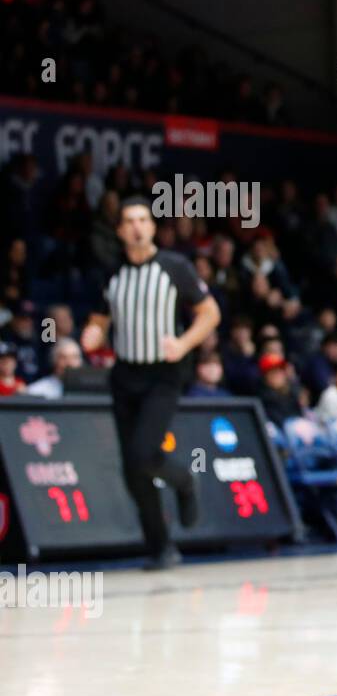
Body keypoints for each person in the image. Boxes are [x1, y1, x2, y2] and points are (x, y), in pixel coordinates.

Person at [102, 195, 221, 570]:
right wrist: (91, 333)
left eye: (143, 219)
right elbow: (97, 317)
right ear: (120, 230)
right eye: (129, 220)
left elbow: (210, 312)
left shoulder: (175, 267)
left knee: (143, 453)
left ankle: (185, 481)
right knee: (132, 470)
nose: (137, 226)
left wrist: (184, 343)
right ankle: (161, 548)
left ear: (152, 226)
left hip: (163, 376)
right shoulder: (110, 270)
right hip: (124, 374)